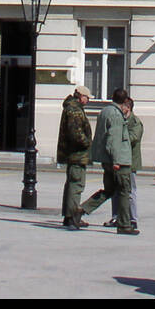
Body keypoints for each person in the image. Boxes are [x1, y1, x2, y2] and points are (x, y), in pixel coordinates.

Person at [79, 88, 136, 234]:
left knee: (109, 190)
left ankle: (81, 209)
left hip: (107, 159)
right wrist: (116, 160)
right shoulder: (116, 115)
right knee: (124, 191)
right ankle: (124, 224)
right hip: (119, 160)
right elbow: (114, 139)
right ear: (124, 101)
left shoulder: (104, 111)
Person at [56, 85, 93, 230]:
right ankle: (72, 217)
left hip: (73, 153)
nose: (88, 100)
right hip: (77, 154)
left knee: (71, 183)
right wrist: (87, 142)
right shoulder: (75, 110)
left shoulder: (71, 108)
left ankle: (68, 215)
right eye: (87, 97)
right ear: (80, 96)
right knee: (76, 184)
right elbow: (76, 134)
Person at [108, 97, 142, 228]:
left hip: (130, 162)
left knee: (130, 191)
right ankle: (116, 216)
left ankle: (133, 219)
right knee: (116, 190)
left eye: (121, 106)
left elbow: (133, 138)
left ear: (127, 107)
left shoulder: (135, 122)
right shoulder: (119, 120)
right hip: (118, 160)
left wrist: (119, 135)